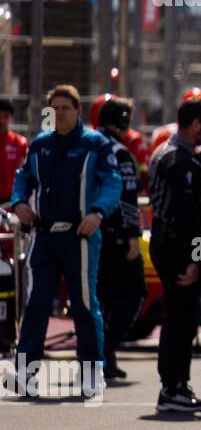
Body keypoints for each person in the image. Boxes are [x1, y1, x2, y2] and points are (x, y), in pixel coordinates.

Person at [8, 86, 122, 394]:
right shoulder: (40, 145)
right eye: (54, 108)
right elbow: (23, 177)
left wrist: (97, 213)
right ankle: (25, 373)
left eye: (65, 108)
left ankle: (91, 373)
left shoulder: (95, 145)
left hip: (80, 236)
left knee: (85, 304)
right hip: (44, 236)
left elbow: (113, 182)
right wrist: (18, 202)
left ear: (77, 110)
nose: (59, 114)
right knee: (35, 304)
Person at [148, 94, 201, 412]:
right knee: (181, 318)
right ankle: (171, 387)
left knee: (183, 316)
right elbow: (187, 218)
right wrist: (195, 261)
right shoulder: (181, 162)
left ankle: (177, 384)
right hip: (177, 247)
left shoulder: (168, 150)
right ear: (196, 124)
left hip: (168, 243)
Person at [94, 96, 146, 382]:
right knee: (134, 290)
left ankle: (97, 355)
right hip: (113, 235)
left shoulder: (83, 146)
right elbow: (127, 196)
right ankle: (106, 348)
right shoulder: (120, 152)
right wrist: (132, 236)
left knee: (98, 296)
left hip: (84, 233)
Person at [0, 98, 27, 355]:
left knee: (16, 270)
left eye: (6, 115)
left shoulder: (19, 144)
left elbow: (26, 175)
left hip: (12, 211)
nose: (2, 119)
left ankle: (12, 329)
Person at [0, 98, 28, 203]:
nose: (1, 120)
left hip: (13, 203)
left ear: (11, 118)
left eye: (5, 116)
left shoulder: (20, 142)